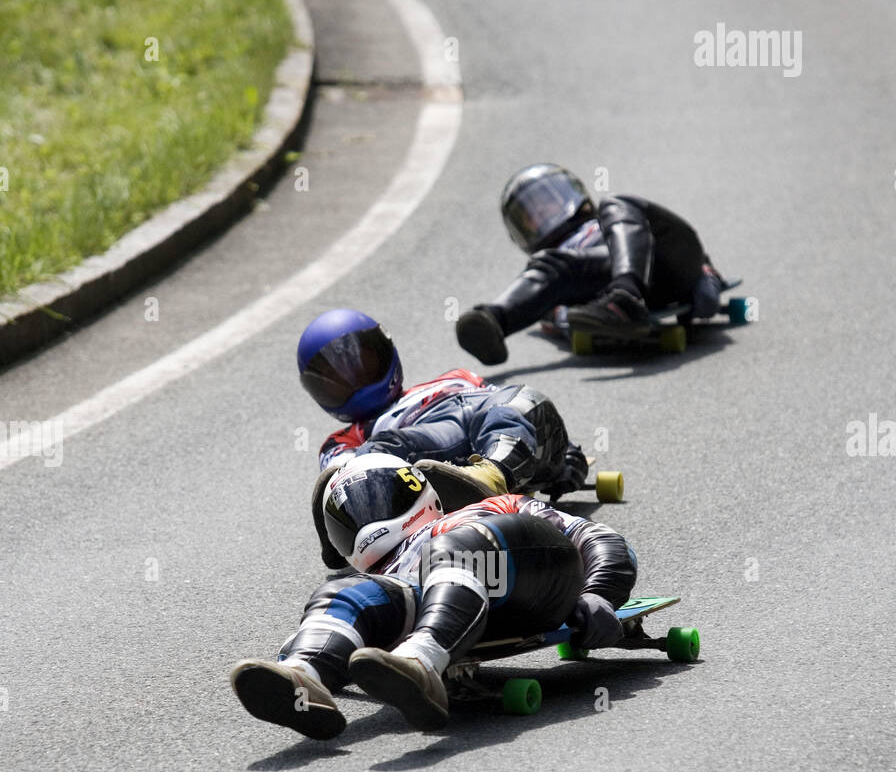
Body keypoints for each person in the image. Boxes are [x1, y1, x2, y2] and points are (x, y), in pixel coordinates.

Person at [230, 453, 637, 738]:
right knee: (340, 591)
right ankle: (305, 679)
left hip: (533, 576)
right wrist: (315, 641)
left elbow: (599, 537)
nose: (365, 518)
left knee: (456, 547)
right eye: (350, 515)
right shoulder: (387, 574)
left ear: (411, 490)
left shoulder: (490, 507)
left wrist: (600, 592)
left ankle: (422, 662)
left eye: (373, 500)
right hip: (445, 603)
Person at [296, 308, 589, 566]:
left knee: (519, 400)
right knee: (372, 455)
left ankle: (489, 476)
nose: (355, 379)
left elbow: (518, 415)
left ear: (386, 352)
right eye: (339, 378)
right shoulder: (344, 439)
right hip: (416, 453)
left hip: (484, 420)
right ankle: (445, 495)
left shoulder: (456, 378)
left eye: (364, 363)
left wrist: (565, 456)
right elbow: (347, 478)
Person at [455, 163, 725, 364]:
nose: (542, 214)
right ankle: (493, 320)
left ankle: (626, 296)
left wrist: (708, 276)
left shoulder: (613, 217)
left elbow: (685, 249)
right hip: (603, 284)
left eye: (546, 203)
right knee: (548, 265)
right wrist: (566, 320)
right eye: (531, 215)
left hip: (665, 261)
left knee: (616, 202)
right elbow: (559, 313)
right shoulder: (557, 262)